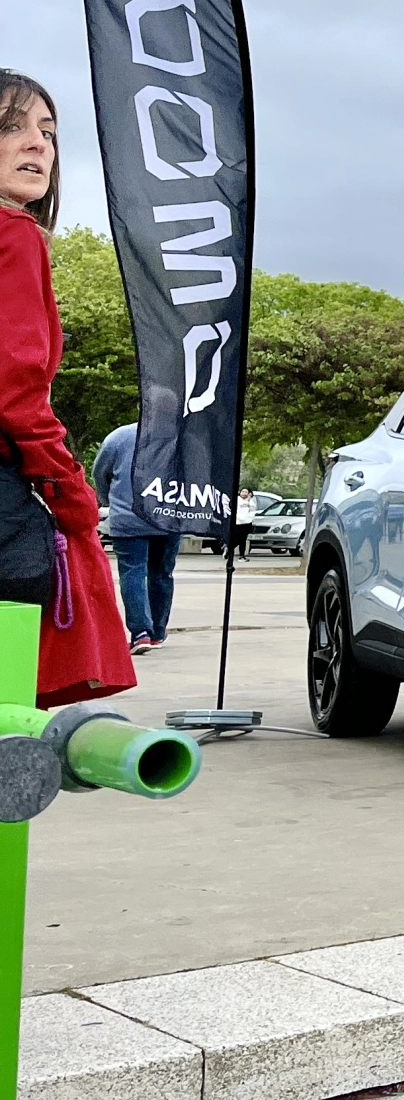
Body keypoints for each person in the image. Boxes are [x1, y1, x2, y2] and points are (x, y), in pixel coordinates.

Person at [0, 71, 135, 705]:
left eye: (48, 132)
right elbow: (16, 383)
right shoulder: (14, 236)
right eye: (12, 127)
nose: (38, 145)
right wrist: (69, 488)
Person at [89, 421, 178, 653]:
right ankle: (158, 631)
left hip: (128, 517)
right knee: (162, 573)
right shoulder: (179, 436)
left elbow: (100, 472)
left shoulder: (118, 437)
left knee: (133, 572)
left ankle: (140, 634)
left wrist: (109, 500)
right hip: (168, 516)